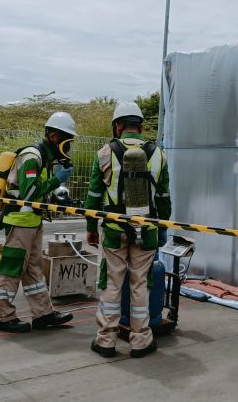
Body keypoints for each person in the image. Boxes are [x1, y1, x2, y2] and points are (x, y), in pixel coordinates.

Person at [85, 102, 171, 358]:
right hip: (146, 231)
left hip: (113, 230)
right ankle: (141, 341)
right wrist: (162, 228)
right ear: (141, 126)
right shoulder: (159, 155)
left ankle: (106, 341)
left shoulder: (104, 153)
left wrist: (91, 228)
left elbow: (93, 197)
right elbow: (164, 198)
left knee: (112, 284)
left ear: (118, 126)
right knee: (140, 284)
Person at [0, 112, 77, 333]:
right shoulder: (33, 156)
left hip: (31, 222)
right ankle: (2, 317)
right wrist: (56, 180)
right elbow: (28, 192)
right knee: (12, 269)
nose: (67, 146)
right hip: (19, 222)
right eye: (65, 140)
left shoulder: (44, 158)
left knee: (33, 271)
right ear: (53, 135)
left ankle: (43, 314)